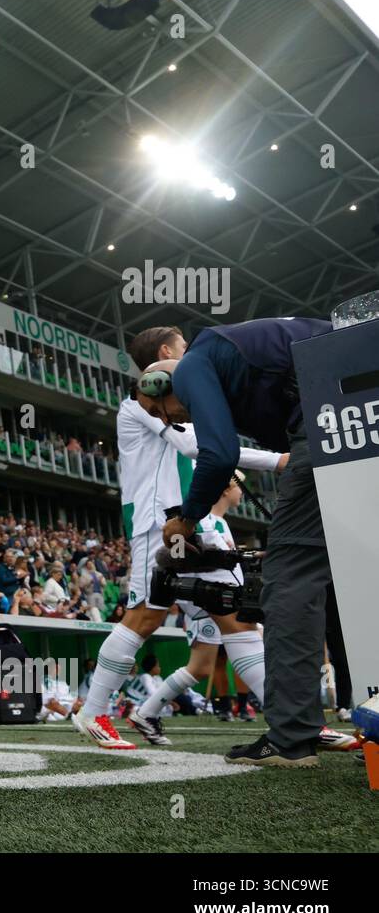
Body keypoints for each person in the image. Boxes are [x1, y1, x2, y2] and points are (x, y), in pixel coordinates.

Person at [135, 316, 345, 768]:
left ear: (158, 382)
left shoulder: (191, 367)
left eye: (159, 412)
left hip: (331, 421)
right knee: (347, 569)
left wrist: (185, 522)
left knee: (290, 580)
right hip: (350, 408)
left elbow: (219, 455)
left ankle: (292, 739)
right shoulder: (224, 358)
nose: (170, 422)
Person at [73, 325, 285, 752]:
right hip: (160, 524)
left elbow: (207, 445)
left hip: (192, 523)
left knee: (237, 618)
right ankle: (92, 712)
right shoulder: (139, 401)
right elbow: (198, 448)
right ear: (167, 353)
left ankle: (290, 723)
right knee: (144, 618)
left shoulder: (176, 396)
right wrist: (278, 460)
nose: (191, 354)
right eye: (184, 348)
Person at [124, 474, 271, 746]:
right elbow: (176, 558)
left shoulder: (219, 521)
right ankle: (285, 719)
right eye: (240, 486)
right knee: (251, 641)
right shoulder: (201, 519)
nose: (243, 492)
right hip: (211, 601)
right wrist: (224, 558)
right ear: (226, 489)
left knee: (200, 667)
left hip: (219, 599)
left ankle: (145, 713)